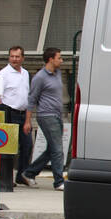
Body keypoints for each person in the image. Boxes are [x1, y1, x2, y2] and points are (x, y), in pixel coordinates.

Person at [19, 47, 65, 191]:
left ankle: (29, 173)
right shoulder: (40, 77)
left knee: (52, 148)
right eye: (59, 58)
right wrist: (28, 121)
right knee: (58, 149)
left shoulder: (57, 73)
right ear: (51, 59)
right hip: (46, 115)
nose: (61, 60)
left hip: (57, 115)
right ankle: (58, 181)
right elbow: (31, 99)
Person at [0, 45, 32, 192]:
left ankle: (21, 175)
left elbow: (28, 98)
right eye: (12, 56)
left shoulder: (25, 73)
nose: (14, 59)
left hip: (22, 113)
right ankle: (5, 178)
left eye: (17, 56)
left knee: (27, 145)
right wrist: (3, 117)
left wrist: (28, 120)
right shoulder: (3, 74)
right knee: (9, 148)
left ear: (22, 58)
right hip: (9, 113)